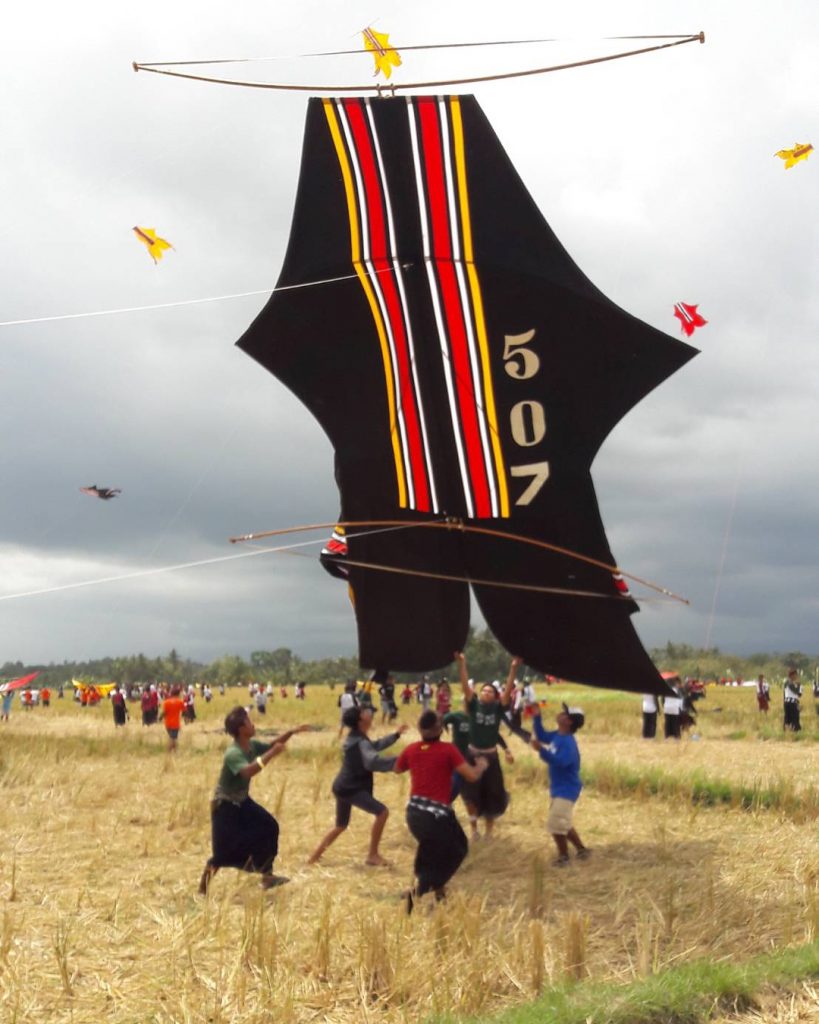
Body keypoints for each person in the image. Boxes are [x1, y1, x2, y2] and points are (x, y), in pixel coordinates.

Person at [198, 708, 310, 895]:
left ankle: (267, 876)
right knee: (221, 853)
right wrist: (273, 753)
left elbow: (271, 745)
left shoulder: (250, 745)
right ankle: (202, 891)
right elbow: (248, 771)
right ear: (242, 729)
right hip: (225, 805)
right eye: (249, 722)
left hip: (241, 801)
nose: (253, 725)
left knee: (269, 826)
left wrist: (291, 732)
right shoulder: (233, 753)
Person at [394, 710, 488, 912]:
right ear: (440, 729)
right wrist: (480, 766)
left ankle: (439, 896)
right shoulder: (448, 750)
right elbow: (471, 776)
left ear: (420, 729)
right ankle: (417, 893)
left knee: (433, 854)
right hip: (437, 816)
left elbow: (397, 768)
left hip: (414, 814)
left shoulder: (411, 749)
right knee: (458, 849)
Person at [308, 706, 406, 866]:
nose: (369, 713)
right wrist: (398, 761)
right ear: (361, 721)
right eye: (364, 713)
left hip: (341, 786)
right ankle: (373, 855)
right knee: (382, 812)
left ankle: (313, 858)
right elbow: (372, 761)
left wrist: (395, 735)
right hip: (350, 788)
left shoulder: (356, 738)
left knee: (340, 826)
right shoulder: (360, 741)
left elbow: (374, 746)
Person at [455, 651, 518, 839]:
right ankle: (474, 830)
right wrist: (462, 663)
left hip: (491, 757)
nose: (485, 692)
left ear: (495, 696)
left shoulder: (498, 708)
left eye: (490, 691)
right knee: (470, 793)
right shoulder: (473, 705)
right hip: (472, 756)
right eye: (483, 690)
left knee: (492, 793)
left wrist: (513, 668)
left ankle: (489, 832)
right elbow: (465, 686)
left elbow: (507, 691)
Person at [531, 702, 589, 866]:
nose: (560, 714)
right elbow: (542, 736)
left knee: (556, 824)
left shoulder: (568, 743)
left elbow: (560, 762)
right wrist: (536, 716)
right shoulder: (558, 735)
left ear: (569, 721)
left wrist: (541, 750)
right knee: (563, 822)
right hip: (560, 787)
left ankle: (564, 857)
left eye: (564, 713)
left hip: (567, 789)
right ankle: (582, 850)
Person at [162, 685, 186, 751]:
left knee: (172, 738)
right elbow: (184, 711)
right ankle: (169, 751)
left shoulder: (166, 702)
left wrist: (160, 718)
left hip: (167, 724)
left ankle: (174, 751)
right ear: (178, 694)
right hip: (175, 724)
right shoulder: (180, 702)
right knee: (173, 738)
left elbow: (164, 713)